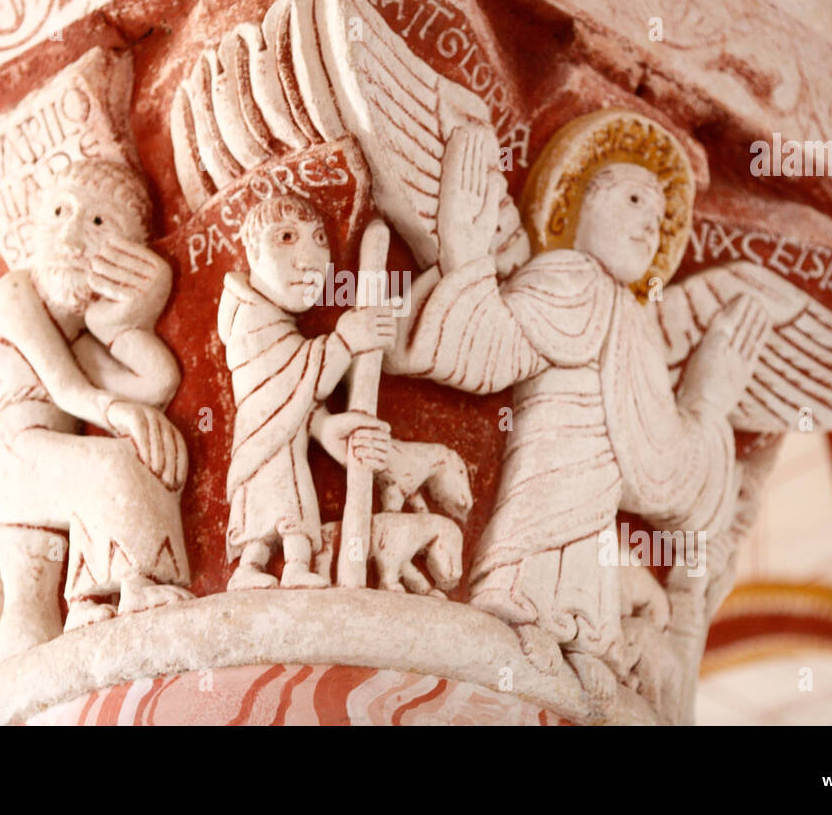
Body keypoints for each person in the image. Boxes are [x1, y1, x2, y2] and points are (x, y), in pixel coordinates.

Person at [386, 125, 768, 702]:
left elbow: (659, 475)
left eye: (662, 218)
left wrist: (709, 397)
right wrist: (463, 248)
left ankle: (580, 653)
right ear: (573, 203)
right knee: (520, 624)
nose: (650, 224)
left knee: (586, 645)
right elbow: (488, 351)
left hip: (595, 531)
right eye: (635, 199)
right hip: (538, 507)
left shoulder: (638, 328)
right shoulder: (563, 275)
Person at [0, 159, 191, 659]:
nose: (71, 232)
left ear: (123, 253)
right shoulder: (13, 295)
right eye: (58, 211)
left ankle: (88, 605)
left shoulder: (79, 333)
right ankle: (132, 585)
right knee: (112, 464)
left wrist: (131, 315)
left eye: (98, 223)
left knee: (29, 609)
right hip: (13, 455)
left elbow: (157, 382)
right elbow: (68, 389)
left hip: (39, 456)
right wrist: (122, 415)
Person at [219, 194, 394, 590]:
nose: (309, 260)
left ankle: (278, 568)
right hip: (264, 449)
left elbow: (286, 396)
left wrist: (325, 428)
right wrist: (345, 341)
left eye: (319, 239)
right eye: (285, 237)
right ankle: (273, 568)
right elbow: (289, 377)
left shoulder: (271, 319)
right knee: (285, 505)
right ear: (249, 249)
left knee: (282, 507)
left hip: (278, 443)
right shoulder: (247, 319)